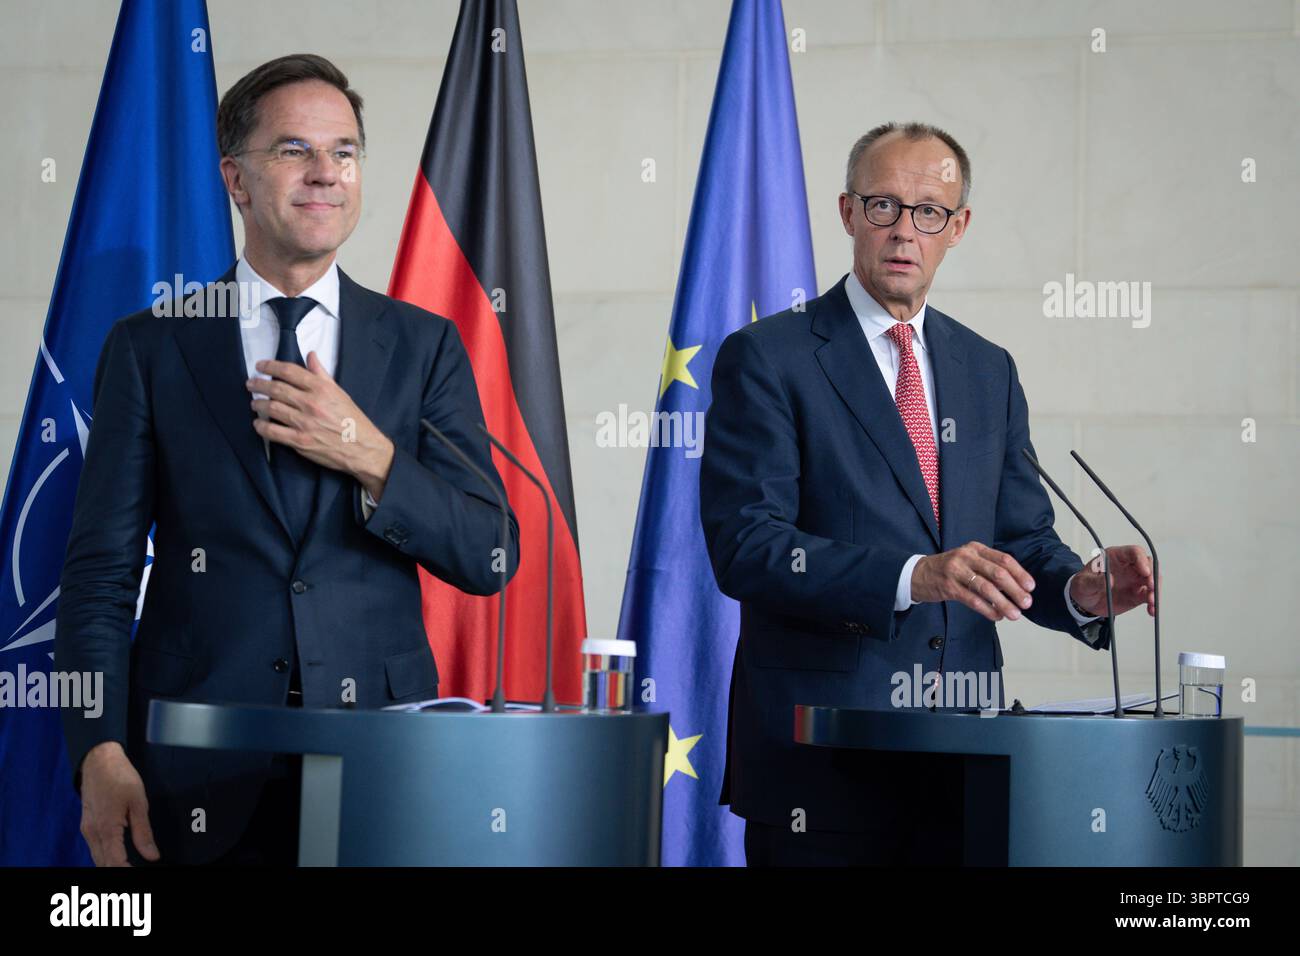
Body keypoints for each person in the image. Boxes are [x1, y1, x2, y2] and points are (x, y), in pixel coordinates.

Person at [55, 54, 518, 866]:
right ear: (236, 179)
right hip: (196, 759)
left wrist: (371, 455)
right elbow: (99, 575)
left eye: (343, 151)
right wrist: (98, 748)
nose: (325, 174)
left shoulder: (422, 345)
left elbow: (489, 553)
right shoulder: (151, 347)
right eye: (295, 150)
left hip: (380, 757)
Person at [699, 122, 1157, 866]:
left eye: (929, 211)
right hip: (824, 764)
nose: (904, 230)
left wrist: (1079, 591)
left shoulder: (987, 369)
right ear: (848, 214)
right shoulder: (769, 358)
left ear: (958, 227)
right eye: (883, 206)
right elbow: (747, 547)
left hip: (966, 764)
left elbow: (1019, 540)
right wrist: (915, 575)